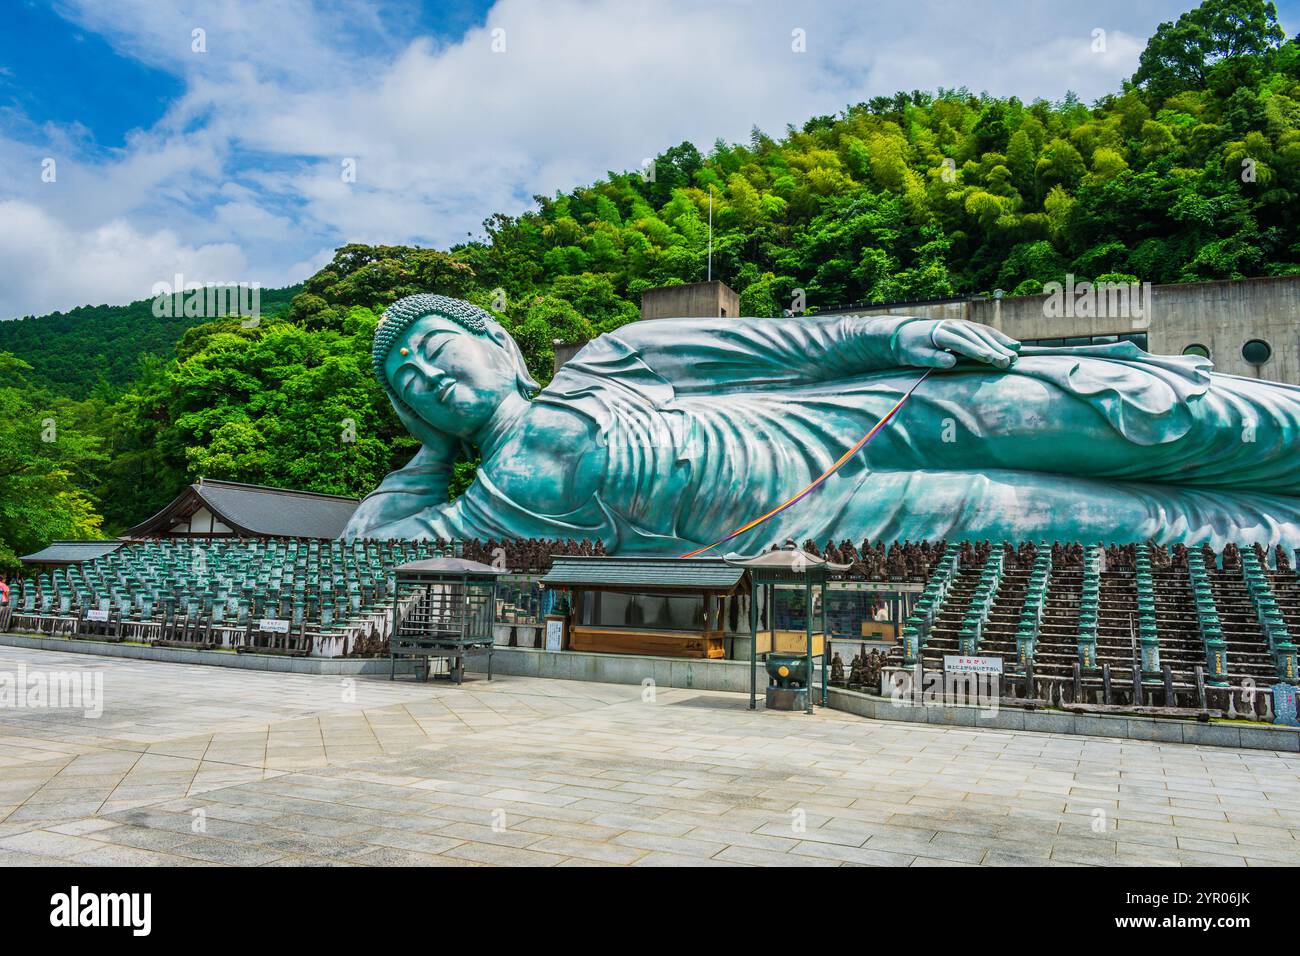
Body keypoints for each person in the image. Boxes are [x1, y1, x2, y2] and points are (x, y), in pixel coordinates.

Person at [344, 294, 1300, 553]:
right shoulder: (479, 518)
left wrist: (901, 332)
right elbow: (363, 549)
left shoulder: (608, 360)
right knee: (1093, 519)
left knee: (1113, 406)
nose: (427, 371)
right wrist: (429, 459)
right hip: (815, 523)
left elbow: (782, 345)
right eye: (407, 381)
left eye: (437, 346)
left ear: (503, 348)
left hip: (828, 417)